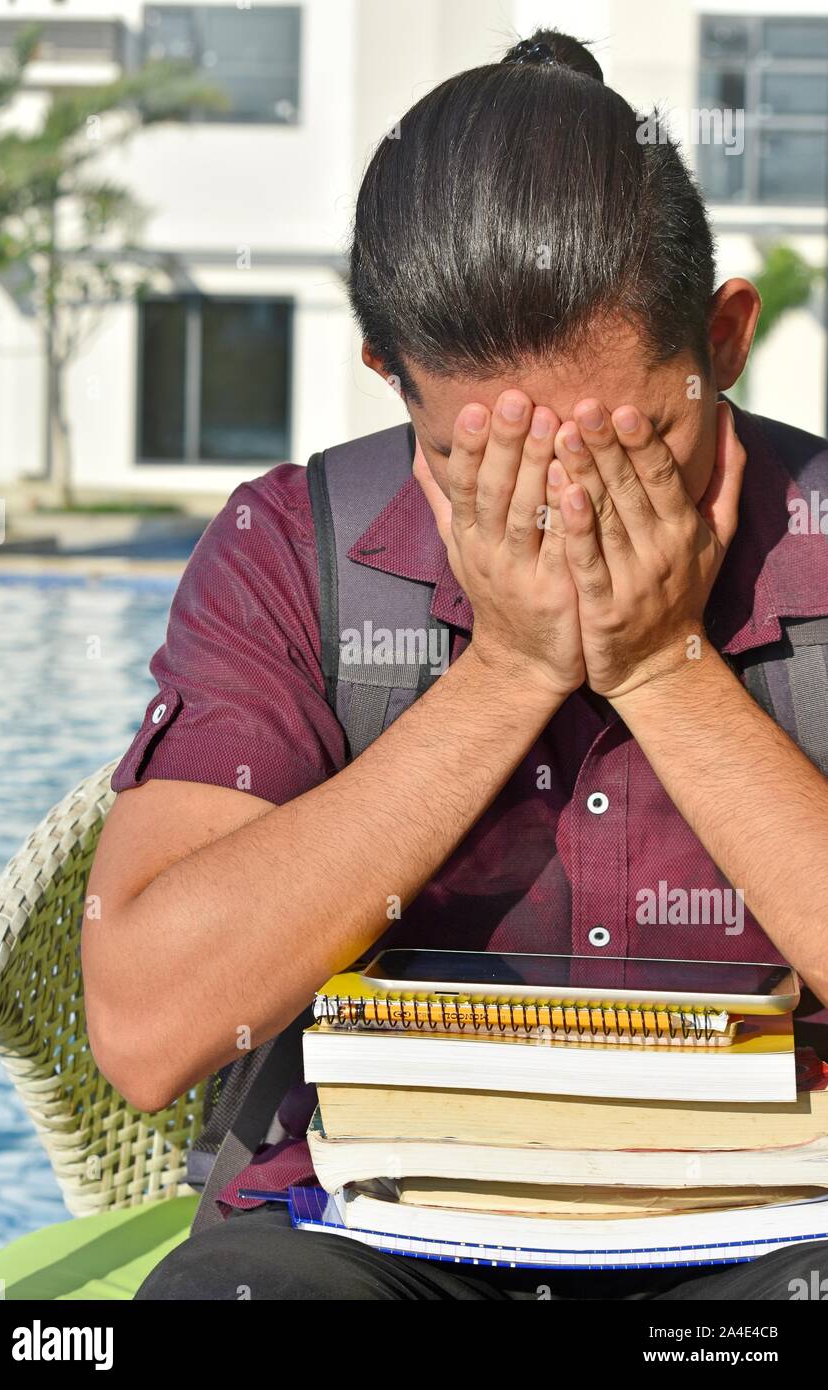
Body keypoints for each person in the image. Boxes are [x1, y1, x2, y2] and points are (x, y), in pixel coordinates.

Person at [84, 27, 828, 1300]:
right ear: (390, 379)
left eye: (625, 457)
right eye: (484, 470)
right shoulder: (293, 552)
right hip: (366, 1237)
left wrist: (662, 670)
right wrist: (501, 677)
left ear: (724, 339)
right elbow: (148, 1032)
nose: (564, 523)